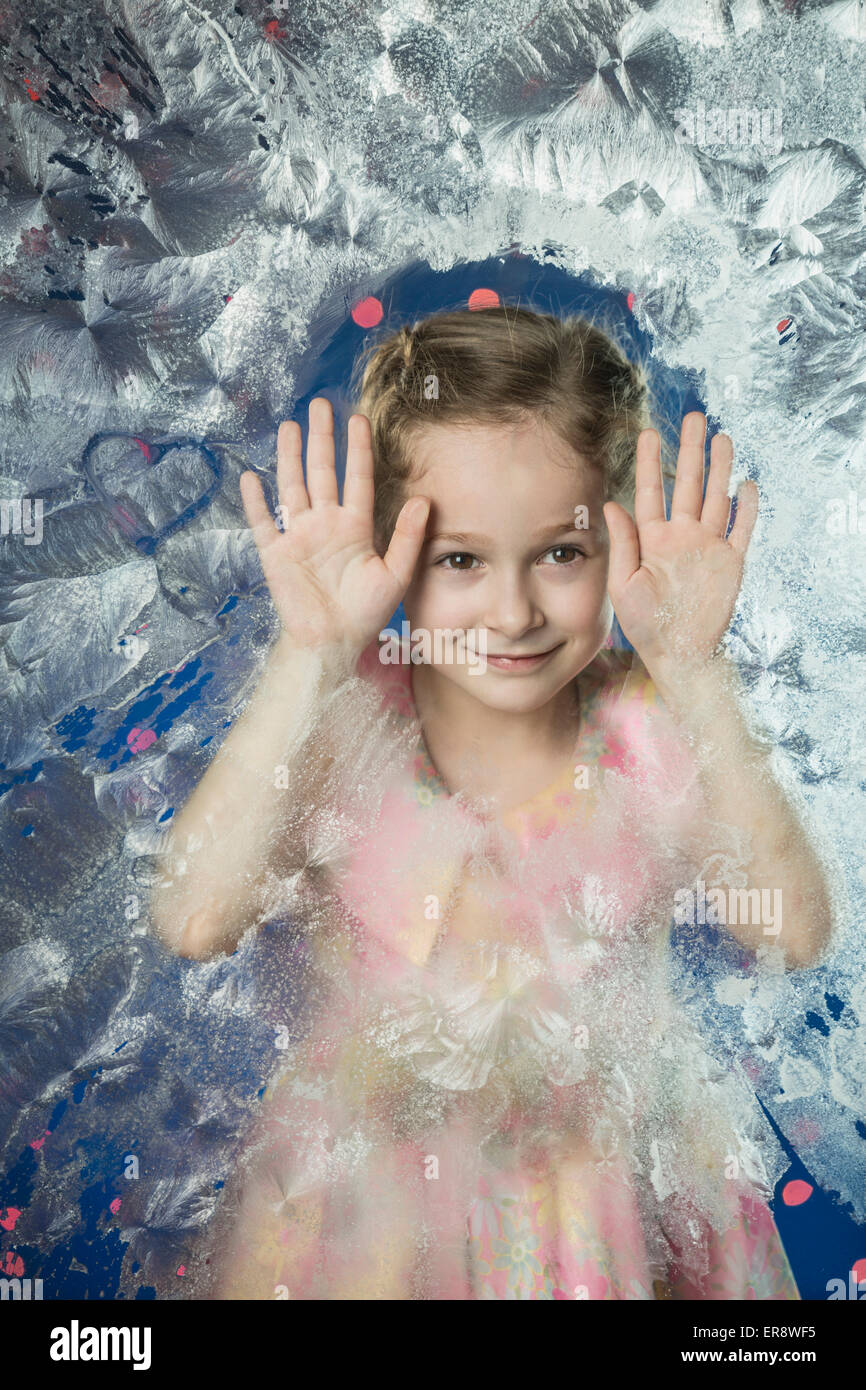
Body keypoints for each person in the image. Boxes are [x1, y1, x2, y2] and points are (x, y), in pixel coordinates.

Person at [150, 305, 837, 1299]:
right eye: (458, 559)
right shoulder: (345, 728)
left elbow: (793, 932)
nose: (511, 611)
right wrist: (306, 659)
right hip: (371, 1224)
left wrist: (694, 671)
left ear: (620, 540)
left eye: (559, 553)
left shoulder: (642, 727)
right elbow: (195, 916)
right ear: (389, 549)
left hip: (597, 1212)